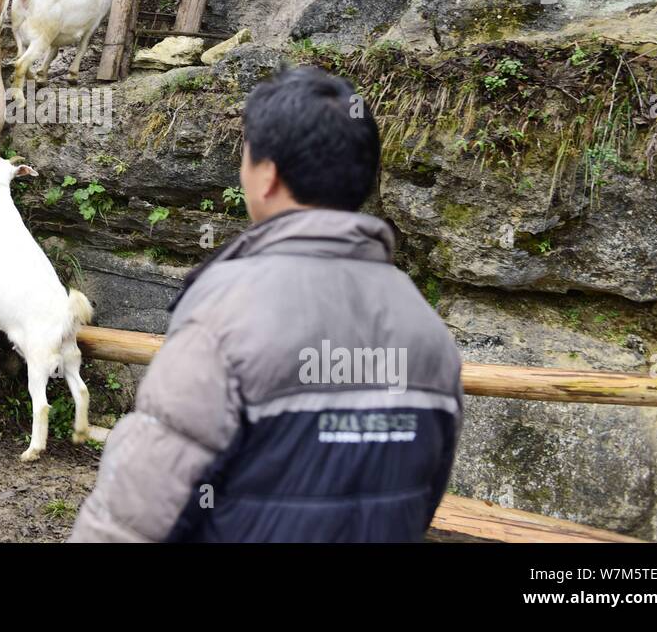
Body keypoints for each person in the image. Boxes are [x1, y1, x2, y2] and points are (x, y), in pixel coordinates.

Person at [69, 65, 463, 542]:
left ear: (268, 176)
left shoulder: (227, 313)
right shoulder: (426, 328)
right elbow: (419, 497)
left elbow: (133, 514)